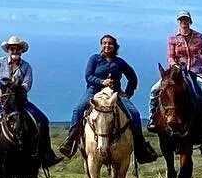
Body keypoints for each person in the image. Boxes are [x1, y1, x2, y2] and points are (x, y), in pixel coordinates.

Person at [59, 34, 159, 164]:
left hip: (115, 93)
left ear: (115, 46)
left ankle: (141, 149)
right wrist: (102, 81)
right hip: (94, 91)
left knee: (135, 114)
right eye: (104, 43)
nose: (107, 46)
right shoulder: (94, 59)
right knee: (78, 110)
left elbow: (132, 78)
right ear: (101, 45)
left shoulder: (120, 62)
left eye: (110, 43)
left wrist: (127, 93)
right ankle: (70, 141)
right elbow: (88, 76)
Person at [0, 35, 60, 169]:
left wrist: (18, 92)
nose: (14, 51)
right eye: (12, 48)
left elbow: (27, 84)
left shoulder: (26, 67)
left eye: (17, 49)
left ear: (21, 50)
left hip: (21, 102)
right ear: (8, 50)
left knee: (43, 120)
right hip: (2, 103)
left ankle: (47, 155)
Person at [150, 11, 202, 136]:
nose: (183, 22)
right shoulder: (173, 38)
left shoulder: (199, 37)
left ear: (190, 21)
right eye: (181, 19)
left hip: (196, 72)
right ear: (178, 22)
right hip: (176, 74)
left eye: (186, 19)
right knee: (154, 90)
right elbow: (170, 57)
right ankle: (152, 119)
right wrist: (175, 67)